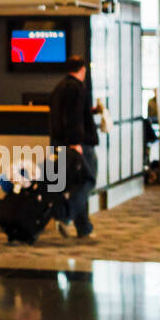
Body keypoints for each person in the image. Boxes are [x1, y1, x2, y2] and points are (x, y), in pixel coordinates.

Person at [48, 56, 103, 239]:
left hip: (58, 142)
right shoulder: (76, 88)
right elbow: (73, 118)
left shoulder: (59, 87)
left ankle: (84, 227)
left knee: (76, 182)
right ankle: (66, 215)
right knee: (88, 180)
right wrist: (75, 143)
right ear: (82, 69)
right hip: (77, 143)